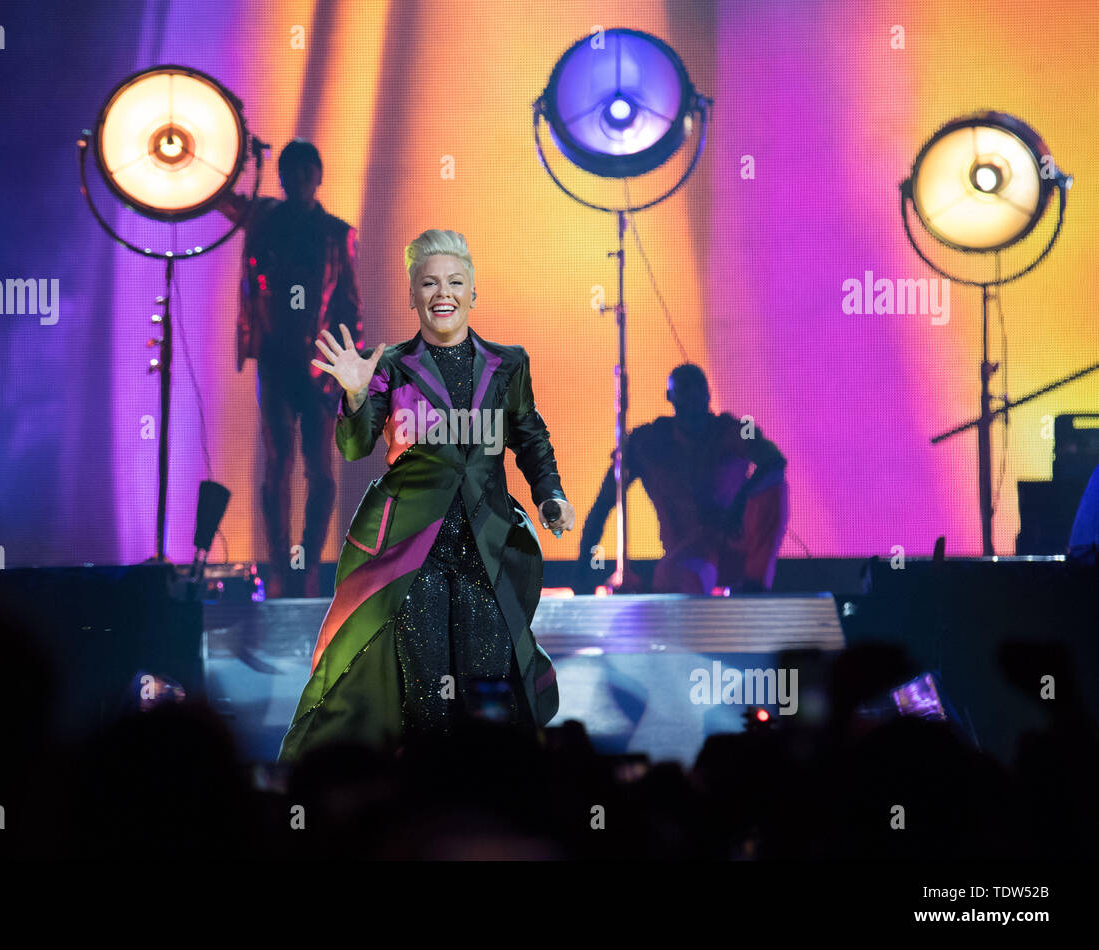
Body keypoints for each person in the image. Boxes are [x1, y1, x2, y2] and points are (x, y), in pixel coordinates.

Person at [278, 229, 575, 762]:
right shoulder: (388, 366)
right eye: (429, 282)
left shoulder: (508, 364)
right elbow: (355, 445)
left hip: (485, 544)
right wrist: (352, 393)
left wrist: (550, 494)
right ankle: (424, 804)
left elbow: (529, 435)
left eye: (455, 281)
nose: (444, 292)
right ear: (412, 294)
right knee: (427, 689)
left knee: (490, 684)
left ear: (473, 293)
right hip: (411, 549)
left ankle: (488, 810)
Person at [215, 139, 363, 597]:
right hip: (277, 364)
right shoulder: (264, 220)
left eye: (305, 173)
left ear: (318, 176)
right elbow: (218, 197)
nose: (298, 181)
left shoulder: (337, 234)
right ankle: (280, 568)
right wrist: (236, 156)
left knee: (320, 472)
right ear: (280, 178)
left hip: (319, 367)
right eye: (290, 173)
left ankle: (309, 566)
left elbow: (349, 307)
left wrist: (350, 373)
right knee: (277, 467)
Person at [579, 363, 788, 594]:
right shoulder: (648, 441)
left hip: (736, 548)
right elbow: (604, 503)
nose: (694, 399)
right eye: (685, 391)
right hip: (687, 557)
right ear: (670, 397)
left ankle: (755, 586)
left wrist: (739, 504)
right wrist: (582, 573)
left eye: (699, 390)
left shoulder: (734, 429)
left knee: (775, 485)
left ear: (708, 394)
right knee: (681, 581)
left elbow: (775, 461)